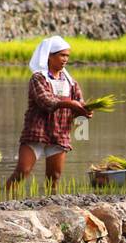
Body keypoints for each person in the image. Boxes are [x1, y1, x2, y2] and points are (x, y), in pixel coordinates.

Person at [6, 36, 91, 191]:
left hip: (60, 133)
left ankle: (49, 205)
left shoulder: (70, 82)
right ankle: (4, 202)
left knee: (54, 177)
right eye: (62, 55)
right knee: (22, 171)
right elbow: (45, 101)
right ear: (49, 56)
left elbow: (80, 103)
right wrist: (70, 103)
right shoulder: (38, 78)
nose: (65, 59)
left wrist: (85, 111)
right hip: (37, 131)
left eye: (67, 56)